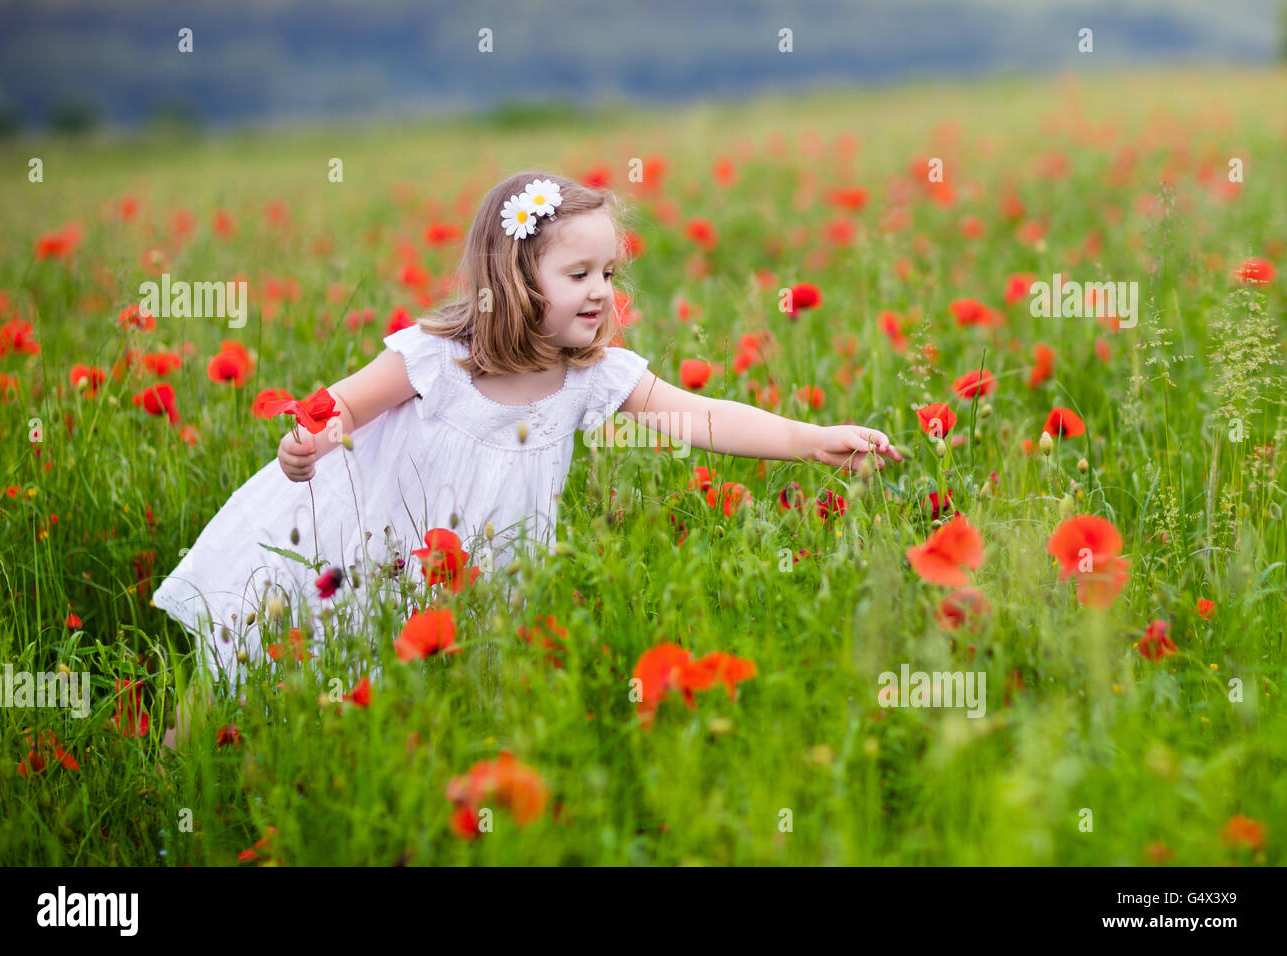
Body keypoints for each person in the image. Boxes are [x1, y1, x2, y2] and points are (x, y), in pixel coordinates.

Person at [152, 171, 902, 749]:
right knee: (259, 663)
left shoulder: (591, 376)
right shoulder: (437, 358)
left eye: (609, 275)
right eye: (579, 276)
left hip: (475, 571)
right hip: (356, 540)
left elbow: (700, 416)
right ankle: (176, 760)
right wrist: (305, 443)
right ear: (512, 277)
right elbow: (339, 405)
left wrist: (811, 441)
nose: (602, 293)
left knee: (427, 693)